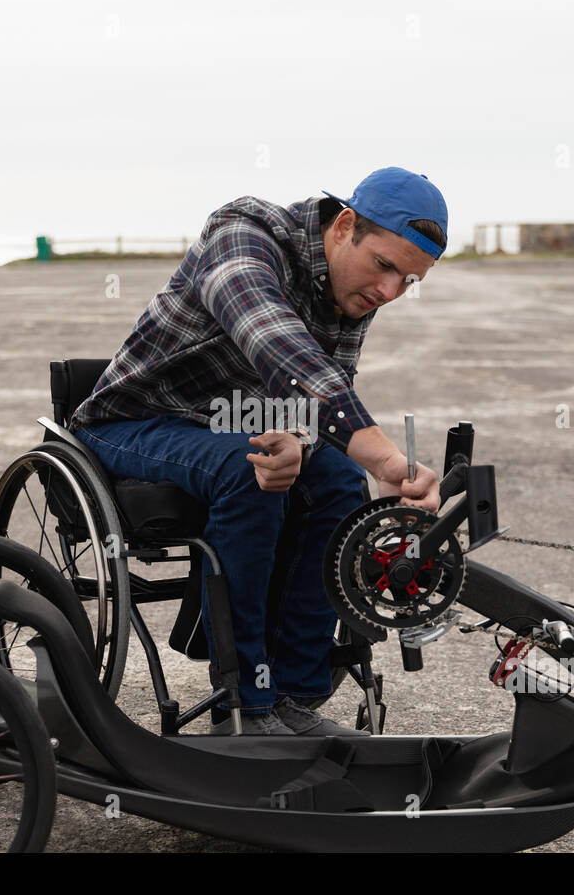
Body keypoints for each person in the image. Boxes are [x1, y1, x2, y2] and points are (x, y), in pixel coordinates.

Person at [71, 167, 446, 735]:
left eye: (408, 282)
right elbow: (280, 349)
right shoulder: (243, 235)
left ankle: (293, 695)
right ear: (344, 226)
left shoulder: (354, 293)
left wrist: (300, 441)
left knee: (340, 481)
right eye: (385, 267)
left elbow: (316, 398)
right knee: (248, 475)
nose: (389, 292)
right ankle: (243, 707)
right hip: (135, 421)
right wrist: (391, 462)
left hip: (238, 426)